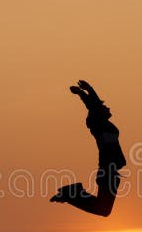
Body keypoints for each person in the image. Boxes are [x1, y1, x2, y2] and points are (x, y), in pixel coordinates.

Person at [50, 80, 126, 217]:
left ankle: (72, 194)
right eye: (103, 108)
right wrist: (86, 91)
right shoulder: (101, 127)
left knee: (103, 209)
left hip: (110, 172)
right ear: (98, 115)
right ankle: (71, 194)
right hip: (108, 171)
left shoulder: (103, 126)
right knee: (103, 210)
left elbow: (96, 106)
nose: (107, 107)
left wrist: (86, 92)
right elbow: (94, 106)